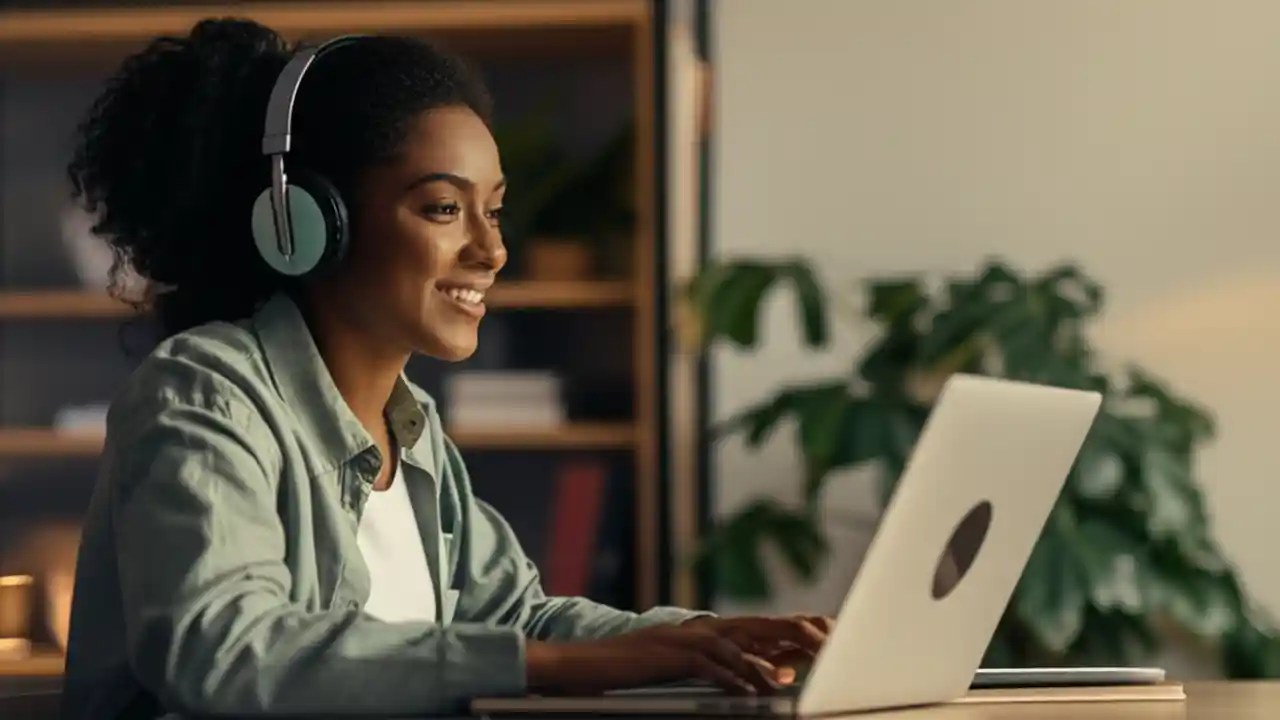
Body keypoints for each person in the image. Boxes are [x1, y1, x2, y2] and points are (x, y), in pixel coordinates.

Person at [58, 18, 832, 720]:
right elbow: (224, 650)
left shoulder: (413, 429)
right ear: (305, 222)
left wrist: (700, 639)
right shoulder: (205, 392)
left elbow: (518, 620)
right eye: (442, 208)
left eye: (492, 210)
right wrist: (552, 666)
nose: (492, 251)